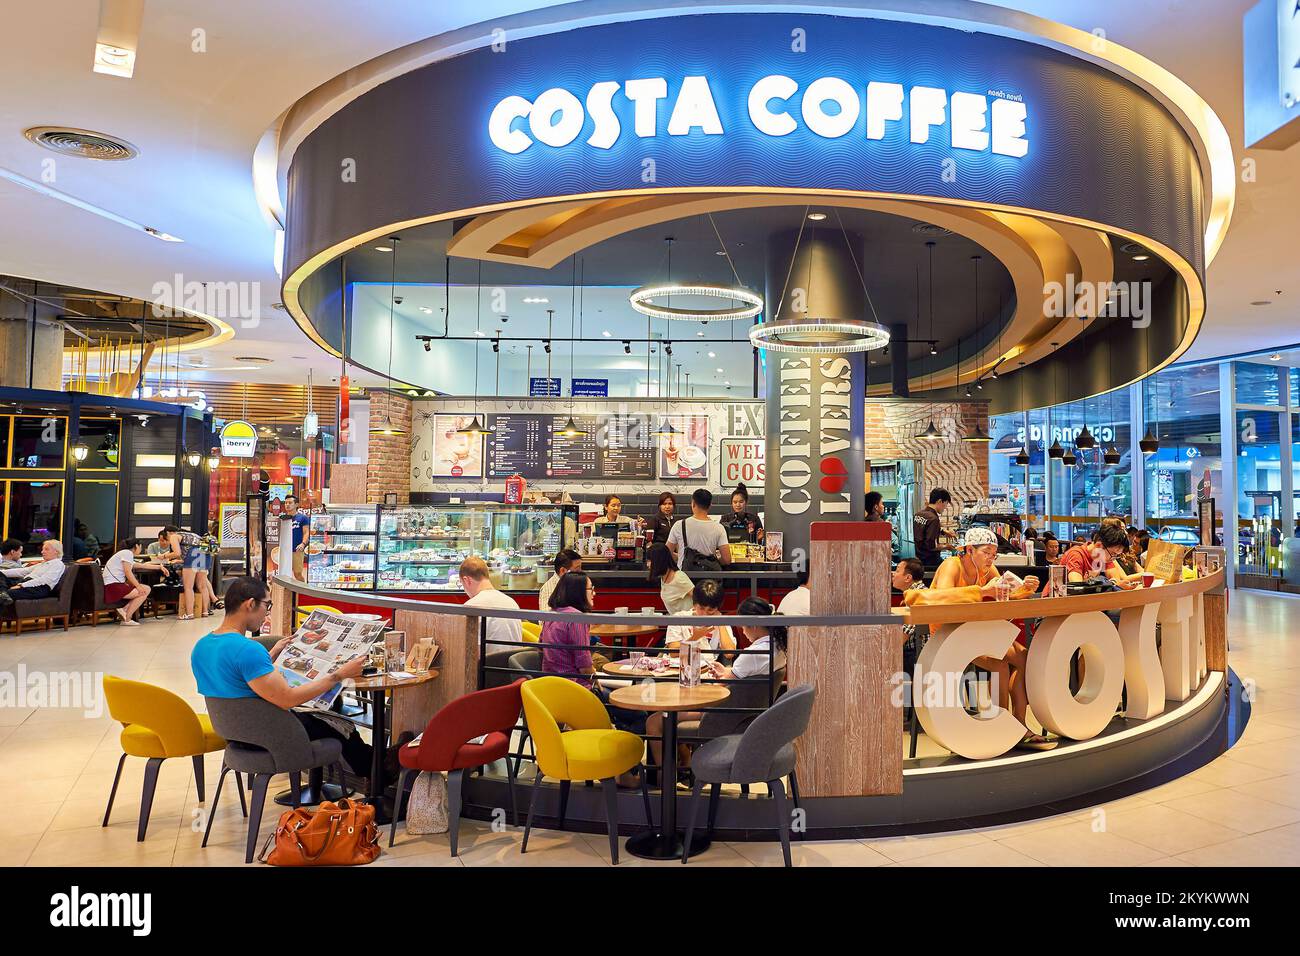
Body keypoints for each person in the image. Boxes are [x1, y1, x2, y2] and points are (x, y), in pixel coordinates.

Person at [189, 576, 372, 777]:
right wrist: (338, 674)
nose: (267, 614)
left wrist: (272, 654)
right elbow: (288, 699)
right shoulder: (247, 649)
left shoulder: (202, 646)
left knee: (328, 718)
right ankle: (377, 772)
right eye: (268, 605)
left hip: (237, 733)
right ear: (250, 604)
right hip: (273, 734)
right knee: (340, 725)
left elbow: (235, 679)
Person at [929, 528, 1049, 750]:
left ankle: (1019, 725)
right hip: (950, 633)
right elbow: (940, 599)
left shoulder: (988, 569)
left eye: (994, 554)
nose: (990, 559)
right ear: (968, 550)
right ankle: (1001, 727)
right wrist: (983, 590)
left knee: (1025, 658)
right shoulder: (951, 565)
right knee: (999, 664)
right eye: (986, 552)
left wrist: (1024, 590)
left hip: (977, 630)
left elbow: (1003, 597)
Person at [539, 571, 598, 687]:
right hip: (575, 688)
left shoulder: (552, 614)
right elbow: (585, 667)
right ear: (578, 592)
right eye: (591, 589)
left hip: (551, 686)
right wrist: (597, 684)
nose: (594, 593)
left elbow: (540, 647)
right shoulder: (577, 619)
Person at [706, 596, 787, 681]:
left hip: (736, 693)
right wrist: (724, 670)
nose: (743, 632)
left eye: (743, 627)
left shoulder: (752, 654)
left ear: (753, 626)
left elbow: (725, 682)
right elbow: (745, 670)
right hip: (759, 693)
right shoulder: (779, 644)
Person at [458, 556, 522, 653]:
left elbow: (470, 652)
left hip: (486, 666)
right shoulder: (511, 602)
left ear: (467, 580)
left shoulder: (471, 607)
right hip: (512, 666)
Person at [664, 579, 736, 657]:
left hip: (709, 667)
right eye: (701, 608)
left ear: (717, 608)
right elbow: (673, 653)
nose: (705, 614)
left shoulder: (721, 622)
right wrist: (696, 637)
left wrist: (720, 623)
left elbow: (729, 654)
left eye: (710, 610)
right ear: (694, 604)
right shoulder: (678, 618)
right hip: (680, 667)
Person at [667, 488, 732, 573]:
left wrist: (680, 556)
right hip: (709, 581)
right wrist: (714, 561)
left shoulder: (679, 525)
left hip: (685, 579)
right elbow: (727, 559)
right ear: (709, 506)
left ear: (693, 503)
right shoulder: (719, 528)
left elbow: (666, 552)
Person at [157, 525, 210, 619]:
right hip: (204, 554)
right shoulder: (192, 534)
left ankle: (189, 614)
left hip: (193, 555)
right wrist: (179, 561)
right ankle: (205, 612)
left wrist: (164, 556)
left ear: (168, 533)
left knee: (188, 587)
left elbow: (177, 553)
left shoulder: (174, 536)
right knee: (202, 586)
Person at [1060, 525, 1138, 588]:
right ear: (1099, 545)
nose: (1113, 559)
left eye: (1117, 555)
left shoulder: (1103, 557)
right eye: (1113, 554)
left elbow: (1116, 580)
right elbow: (1077, 587)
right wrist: (1112, 584)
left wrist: (1118, 584)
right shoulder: (1076, 555)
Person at [0, 538, 66, 606]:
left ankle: (3, 594)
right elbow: (23, 571)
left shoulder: (58, 564)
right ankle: (3, 593)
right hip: (26, 582)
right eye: (42, 549)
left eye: (46, 549)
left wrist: (21, 585)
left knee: (5, 595)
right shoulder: (43, 563)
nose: (42, 552)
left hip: (38, 588)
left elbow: (45, 580)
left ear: (56, 551)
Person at [102, 539, 152, 625]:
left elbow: (142, 565)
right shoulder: (127, 553)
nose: (141, 549)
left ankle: (124, 610)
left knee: (146, 588)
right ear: (136, 546)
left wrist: (160, 567)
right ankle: (127, 618)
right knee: (144, 591)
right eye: (141, 547)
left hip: (112, 586)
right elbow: (128, 572)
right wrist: (138, 586)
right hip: (114, 587)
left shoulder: (124, 553)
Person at [891, 558, 927, 675]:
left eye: (897, 570)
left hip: (917, 655)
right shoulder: (920, 591)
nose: (893, 574)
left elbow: (904, 634)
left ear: (908, 578)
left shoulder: (917, 596)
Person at [645, 542, 693, 614]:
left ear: (659, 561)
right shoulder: (663, 578)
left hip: (687, 623)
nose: (647, 564)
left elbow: (700, 598)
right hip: (676, 622)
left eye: (650, 561)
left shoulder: (679, 577)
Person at [913, 488, 952, 568]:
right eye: (946, 503)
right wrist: (947, 546)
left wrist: (943, 531)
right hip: (930, 561)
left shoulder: (918, 514)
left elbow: (924, 531)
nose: (945, 507)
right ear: (940, 501)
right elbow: (931, 546)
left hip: (919, 558)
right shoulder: (934, 519)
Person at [283, 494, 311, 582]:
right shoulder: (283, 518)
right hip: (284, 551)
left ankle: (303, 591)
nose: (287, 505)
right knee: (283, 574)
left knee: (297, 574)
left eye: (290, 503)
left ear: (296, 504)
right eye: (286, 503)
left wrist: (303, 544)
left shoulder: (303, 518)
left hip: (297, 550)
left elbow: (306, 532)